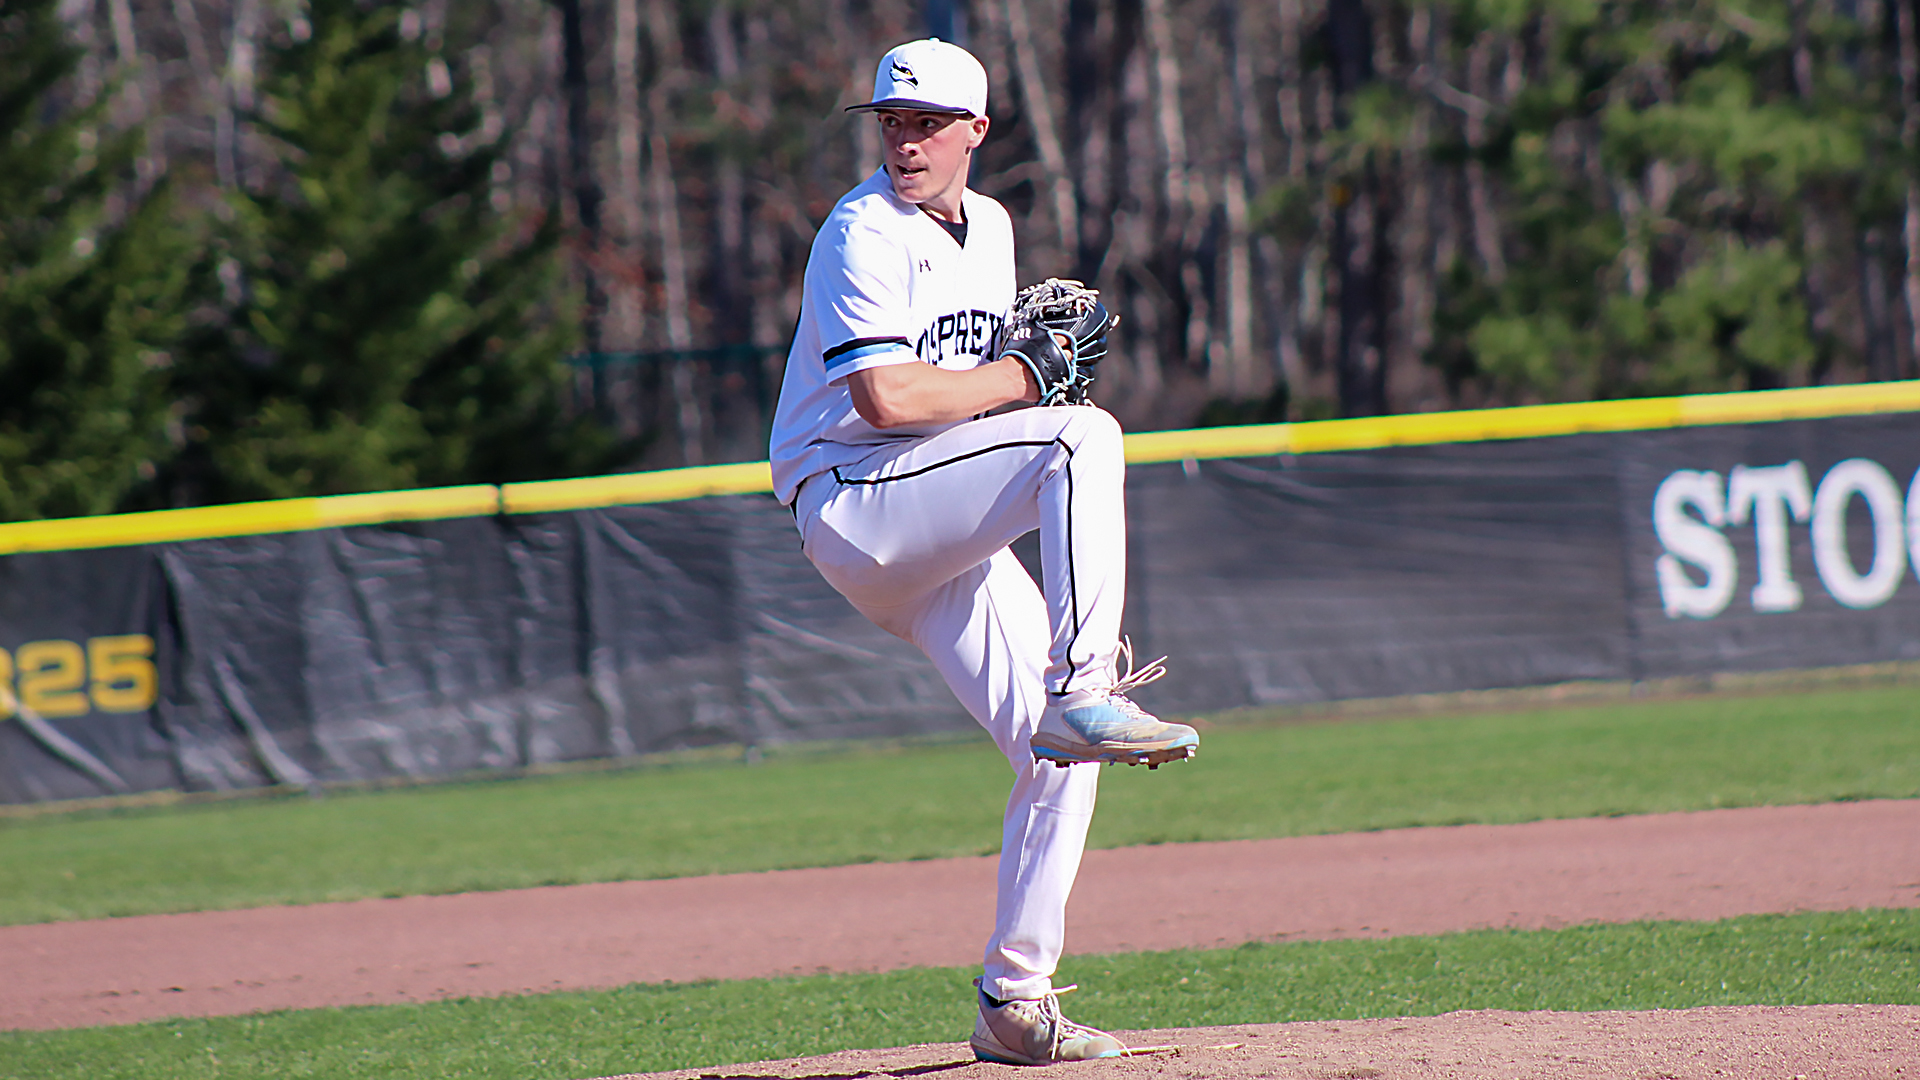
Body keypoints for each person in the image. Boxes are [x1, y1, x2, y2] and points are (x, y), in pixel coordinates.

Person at [767, 38, 1199, 1066]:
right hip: (853, 499)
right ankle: (1086, 677)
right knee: (1081, 431)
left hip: (932, 519)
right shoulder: (860, 229)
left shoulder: (992, 227)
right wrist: (1025, 377)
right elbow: (891, 398)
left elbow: (979, 405)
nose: (904, 140)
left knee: (1064, 754)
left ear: (975, 131)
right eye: (890, 121)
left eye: (924, 122)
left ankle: (1016, 1000)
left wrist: (1018, 380)